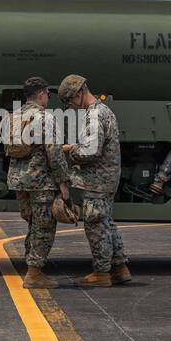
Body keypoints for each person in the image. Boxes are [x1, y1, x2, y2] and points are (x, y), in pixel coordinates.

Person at [57, 74, 130, 287]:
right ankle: (120, 268)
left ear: (80, 93)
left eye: (70, 101)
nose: (71, 106)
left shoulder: (95, 115)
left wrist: (70, 150)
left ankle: (101, 273)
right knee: (107, 223)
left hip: (97, 181)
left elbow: (90, 151)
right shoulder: (104, 111)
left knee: (95, 224)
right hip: (107, 179)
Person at [6, 77, 70, 289]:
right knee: (44, 227)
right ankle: (34, 274)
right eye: (48, 95)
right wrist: (63, 183)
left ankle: (31, 266)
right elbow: (54, 153)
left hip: (19, 181)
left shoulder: (14, 116)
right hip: (40, 181)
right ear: (42, 93)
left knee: (33, 223)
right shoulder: (45, 117)